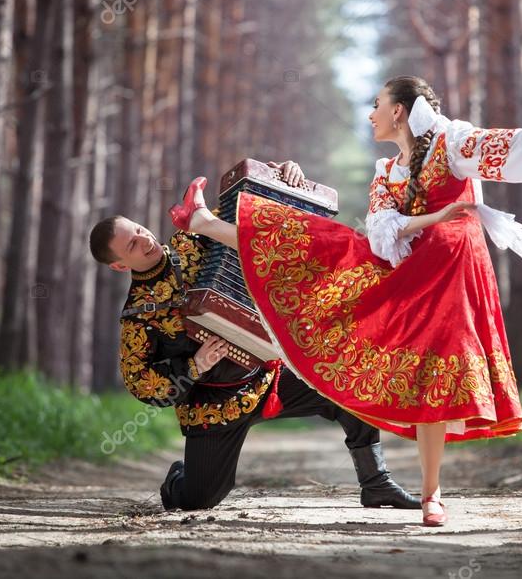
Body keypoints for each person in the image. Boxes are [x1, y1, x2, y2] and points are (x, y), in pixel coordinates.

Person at [168, 76, 522, 526]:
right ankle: (202, 221)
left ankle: (431, 495)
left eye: (377, 104)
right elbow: (384, 233)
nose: (371, 113)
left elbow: (506, 143)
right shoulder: (385, 172)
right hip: (409, 268)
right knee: (321, 245)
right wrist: (432, 216)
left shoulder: (450, 142)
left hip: (453, 269)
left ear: (399, 110)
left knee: (437, 370)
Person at [87, 173, 420, 512]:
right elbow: (141, 384)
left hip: (269, 375)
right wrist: (194, 366)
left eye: (140, 231)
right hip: (214, 407)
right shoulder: (138, 316)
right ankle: (178, 481)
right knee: (198, 500)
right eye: (131, 246)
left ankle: (376, 483)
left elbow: (247, 213)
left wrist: (283, 176)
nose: (144, 241)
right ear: (118, 265)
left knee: (345, 379)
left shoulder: (192, 241)